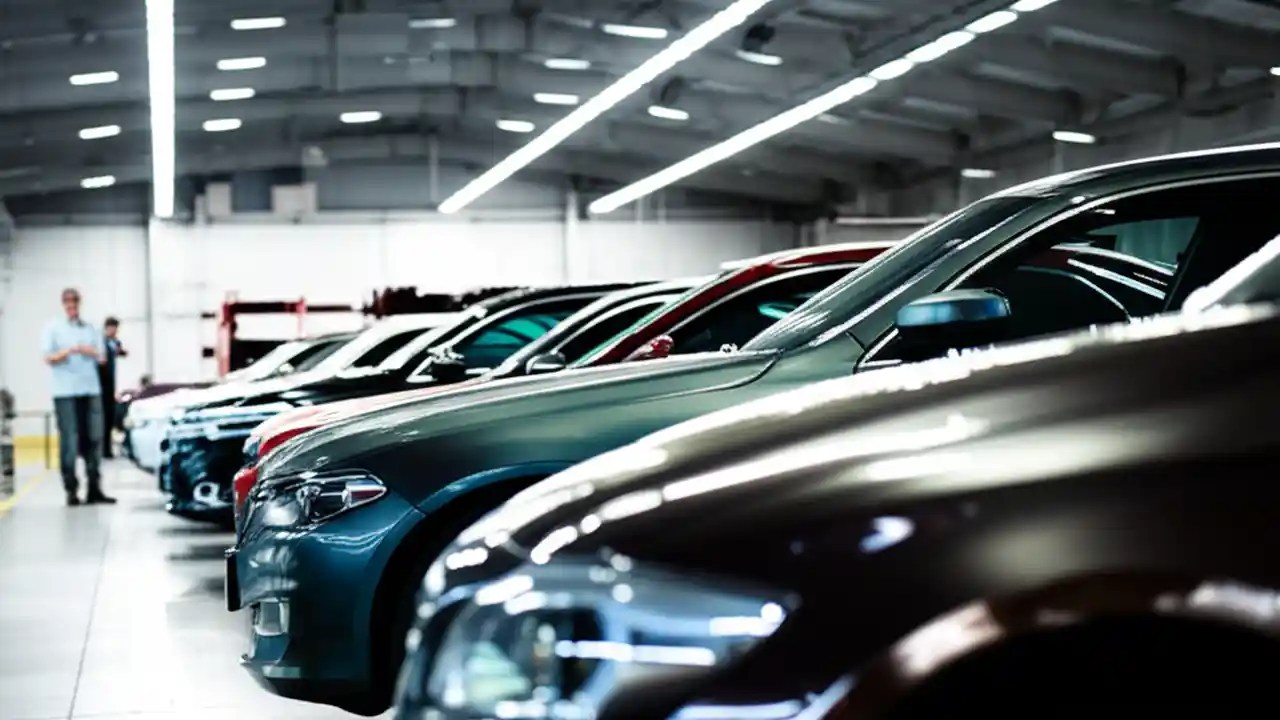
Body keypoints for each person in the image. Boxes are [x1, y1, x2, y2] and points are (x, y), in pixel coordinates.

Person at [41, 288, 116, 506]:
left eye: (74, 303)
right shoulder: (53, 329)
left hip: (90, 389)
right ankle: (71, 490)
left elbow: (102, 356)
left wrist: (87, 350)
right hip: (65, 392)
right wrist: (68, 351)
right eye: (68, 303)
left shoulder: (91, 328)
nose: (71, 307)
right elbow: (48, 357)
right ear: (63, 304)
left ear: (79, 304)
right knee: (70, 442)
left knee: (94, 439)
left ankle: (94, 488)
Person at [99, 317, 127, 458]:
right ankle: (104, 449)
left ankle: (107, 448)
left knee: (110, 418)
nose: (114, 331)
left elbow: (120, 351)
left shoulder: (114, 343)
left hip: (111, 385)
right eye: (111, 328)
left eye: (115, 328)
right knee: (103, 419)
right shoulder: (102, 343)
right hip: (103, 386)